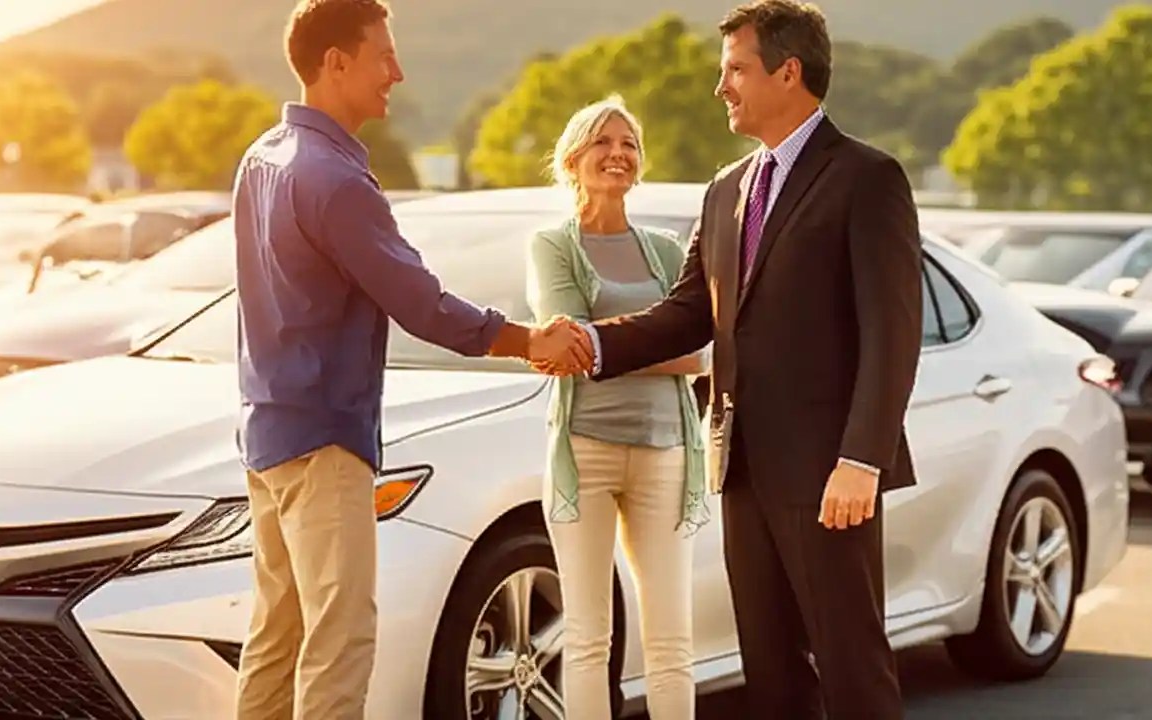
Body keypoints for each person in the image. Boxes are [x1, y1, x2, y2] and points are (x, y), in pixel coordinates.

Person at [543, 1, 923, 718]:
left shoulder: (867, 178)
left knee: (851, 665)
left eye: (736, 70)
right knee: (771, 670)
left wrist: (862, 460)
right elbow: (688, 313)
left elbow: (892, 334)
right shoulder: (726, 189)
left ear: (789, 71)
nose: (722, 87)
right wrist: (591, 344)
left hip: (829, 474)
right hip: (742, 464)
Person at [230, 2, 591, 718]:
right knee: (339, 642)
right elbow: (422, 304)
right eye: (383, 55)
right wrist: (527, 341)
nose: (396, 72)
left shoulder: (262, 159)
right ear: (335, 62)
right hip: (325, 443)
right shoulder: (334, 181)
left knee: (277, 638)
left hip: (267, 436)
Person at [526, 96, 710, 720]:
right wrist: (650, 344)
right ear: (573, 161)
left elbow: (698, 355)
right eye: (603, 142)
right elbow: (569, 343)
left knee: (671, 638)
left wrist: (605, 344)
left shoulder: (664, 251)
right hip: (586, 454)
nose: (618, 153)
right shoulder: (552, 246)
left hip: (665, 454)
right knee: (586, 637)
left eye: (628, 143)